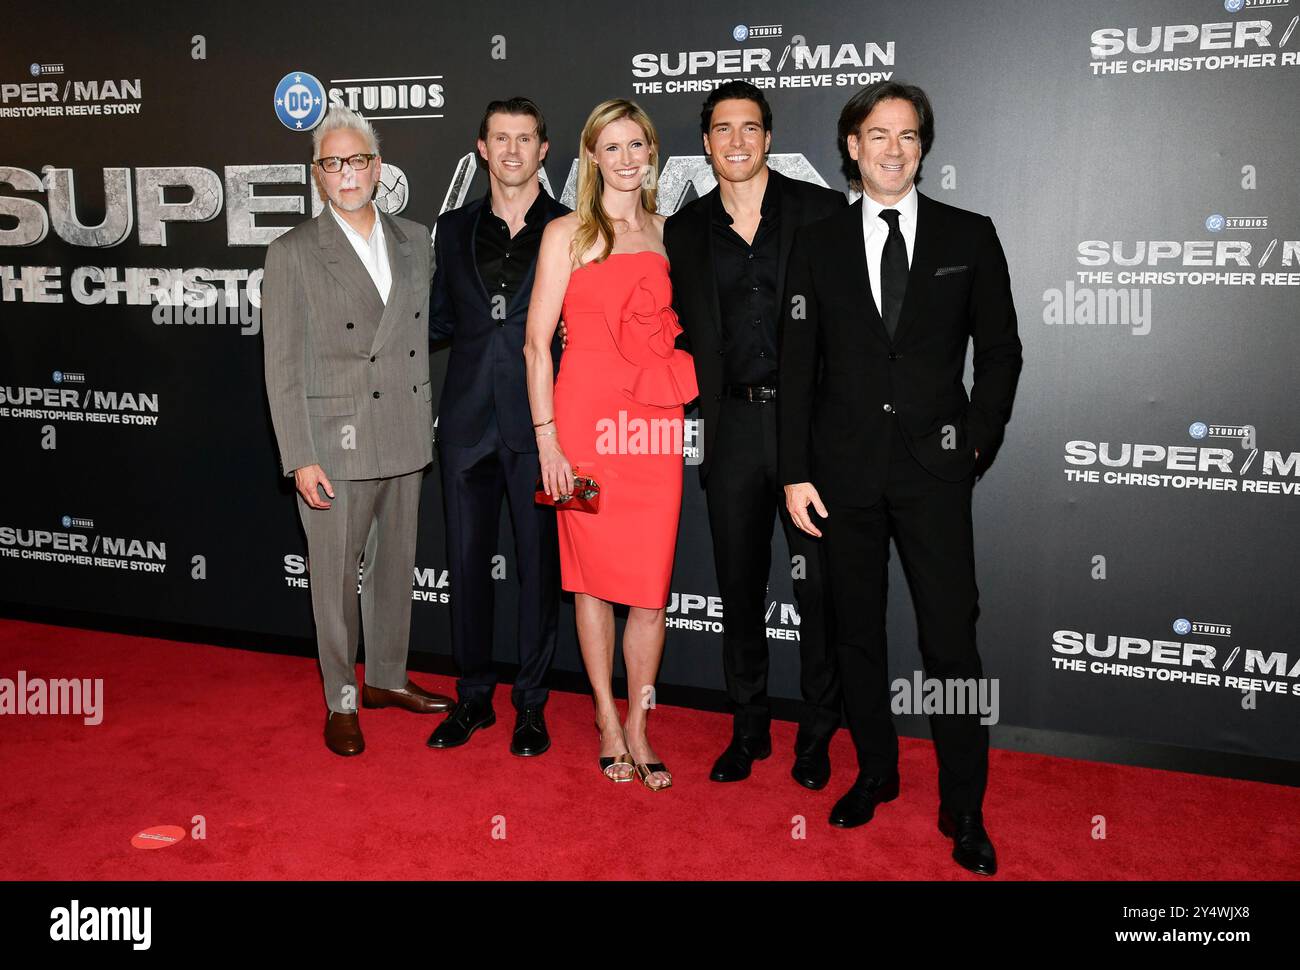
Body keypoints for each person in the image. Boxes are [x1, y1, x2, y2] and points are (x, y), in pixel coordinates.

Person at [779, 82, 1022, 874]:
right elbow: (796, 367)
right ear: (851, 147)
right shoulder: (816, 242)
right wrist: (794, 473)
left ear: (923, 147)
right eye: (877, 134)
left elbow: (1002, 352)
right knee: (856, 635)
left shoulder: (969, 235)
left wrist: (976, 443)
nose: (892, 149)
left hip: (936, 473)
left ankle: (964, 806)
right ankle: (875, 772)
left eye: (908, 135)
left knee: (952, 642)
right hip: (841, 476)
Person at [664, 80, 845, 789]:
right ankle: (748, 727)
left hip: (812, 431)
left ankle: (820, 731)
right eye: (721, 129)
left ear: (768, 137)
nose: (736, 141)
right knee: (739, 587)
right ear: (705, 144)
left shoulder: (823, 212)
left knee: (818, 592)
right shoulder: (682, 232)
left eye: (749, 128)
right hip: (731, 428)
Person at [262, 104, 453, 758]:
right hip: (333, 444)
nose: (348, 173)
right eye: (334, 163)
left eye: (359, 160)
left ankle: (388, 681)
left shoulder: (416, 239)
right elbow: (281, 363)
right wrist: (300, 457)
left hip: (403, 430)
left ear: (378, 166)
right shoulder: (291, 253)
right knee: (336, 584)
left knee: (397, 569)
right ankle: (342, 697)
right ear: (319, 174)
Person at [524, 99, 698, 790]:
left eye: (637, 145)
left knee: (650, 592)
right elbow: (537, 344)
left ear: (651, 151)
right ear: (591, 155)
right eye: (611, 146)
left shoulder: (668, 235)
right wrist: (548, 442)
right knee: (592, 582)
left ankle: (639, 722)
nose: (626, 158)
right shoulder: (566, 233)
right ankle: (603, 715)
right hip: (584, 429)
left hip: (653, 430)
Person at [425, 98, 568, 757]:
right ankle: (473, 699)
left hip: (540, 430)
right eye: (500, 138)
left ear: (545, 149)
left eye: (526, 139)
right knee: (466, 567)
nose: (512, 150)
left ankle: (531, 707)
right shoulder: (451, 230)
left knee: (540, 573)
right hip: (463, 427)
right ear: (482, 148)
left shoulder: (572, 227)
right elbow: (436, 325)